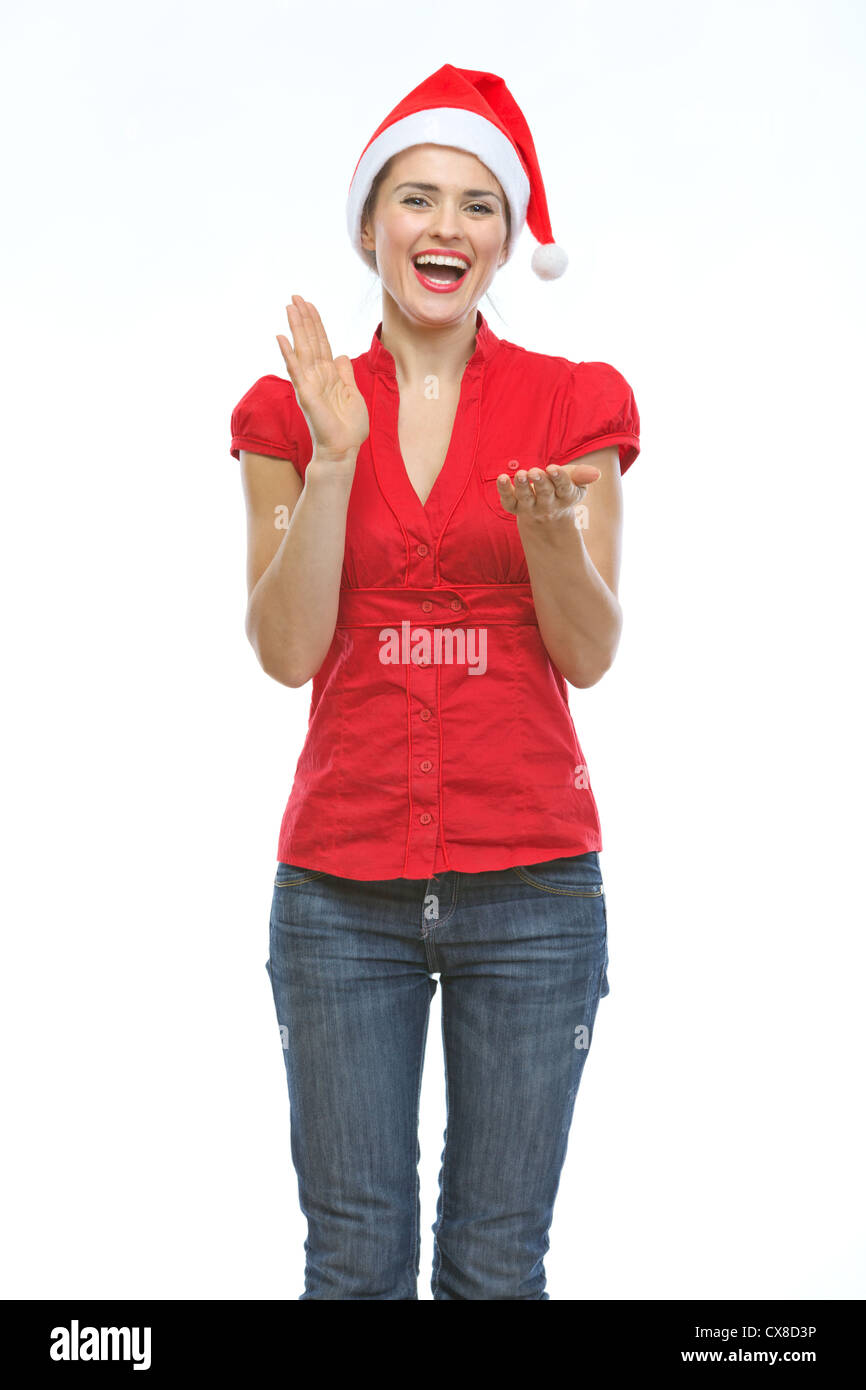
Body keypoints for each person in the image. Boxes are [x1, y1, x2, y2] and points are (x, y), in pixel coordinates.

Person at [229, 64, 641, 1300]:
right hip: (340, 893)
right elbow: (285, 652)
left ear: (506, 238)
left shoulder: (574, 404)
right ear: (370, 225)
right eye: (417, 199)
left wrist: (549, 540)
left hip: (531, 891)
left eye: (475, 205)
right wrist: (337, 469)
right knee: (352, 1262)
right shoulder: (291, 413)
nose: (444, 228)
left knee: (493, 1265)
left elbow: (590, 652)